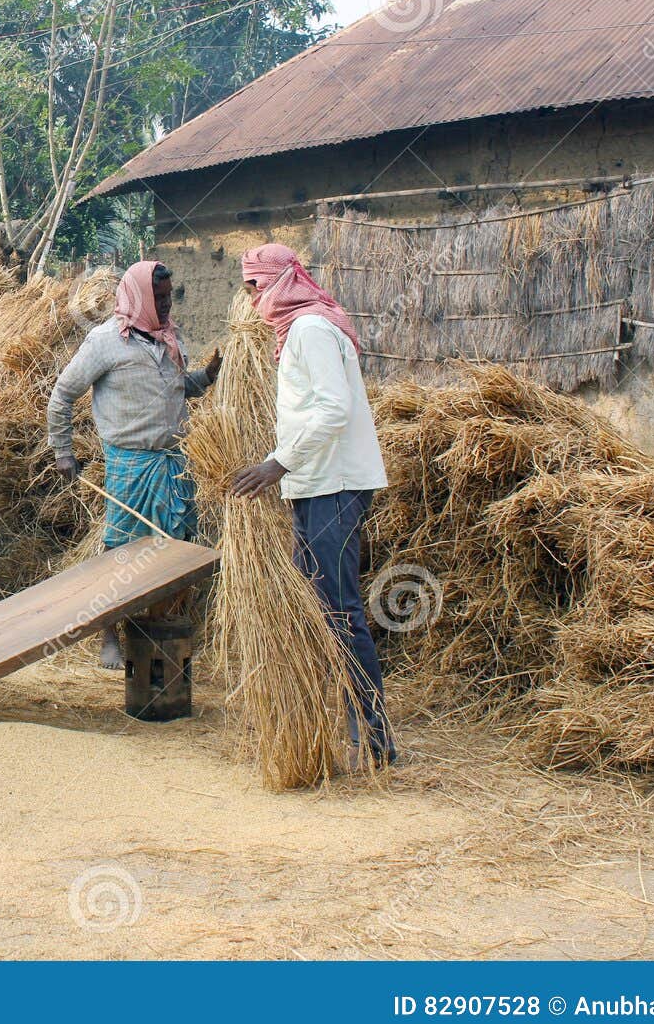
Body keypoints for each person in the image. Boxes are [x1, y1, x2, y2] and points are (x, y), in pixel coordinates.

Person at [228, 243, 396, 769]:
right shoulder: (299, 330)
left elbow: (333, 409)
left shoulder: (310, 331)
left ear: (277, 283)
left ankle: (373, 739)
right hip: (318, 483)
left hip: (334, 485)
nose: (251, 298)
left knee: (341, 609)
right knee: (326, 607)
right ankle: (351, 728)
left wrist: (278, 463)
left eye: (254, 286)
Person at [48, 261, 221, 668]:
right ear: (139, 296)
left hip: (174, 462)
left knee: (171, 546)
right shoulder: (105, 341)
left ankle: (152, 627)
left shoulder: (169, 339)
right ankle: (110, 634)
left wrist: (208, 376)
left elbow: (180, 391)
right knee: (121, 551)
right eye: (158, 298)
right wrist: (63, 451)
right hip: (130, 462)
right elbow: (62, 395)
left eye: (168, 298)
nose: (165, 306)